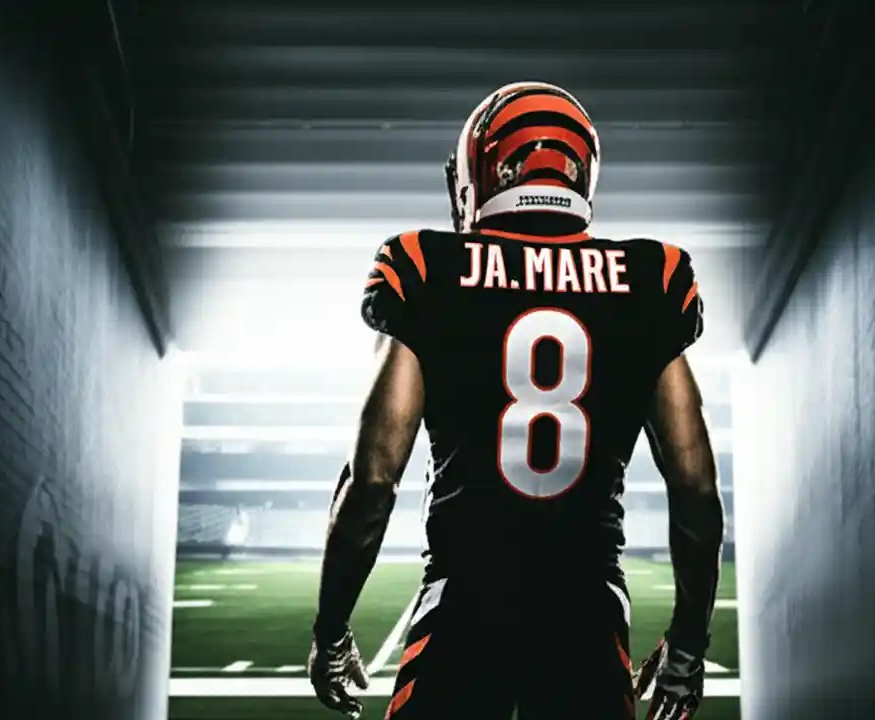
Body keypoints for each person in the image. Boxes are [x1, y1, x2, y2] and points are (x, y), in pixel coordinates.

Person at [308, 81, 724, 720]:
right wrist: (688, 647)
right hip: (589, 605)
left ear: (481, 170)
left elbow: (371, 480)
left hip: (466, 602)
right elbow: (694, 487)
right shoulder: (652, 281)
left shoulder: (428, 270)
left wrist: (330, 628)